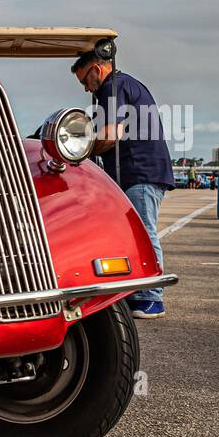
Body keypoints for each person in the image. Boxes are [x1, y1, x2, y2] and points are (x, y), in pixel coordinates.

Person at [72, 40, 173, 318]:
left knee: (144, 231)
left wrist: (80, 149)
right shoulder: (127, 84)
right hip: (144, 168)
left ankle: (152, 297)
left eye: (85, 80)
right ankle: (139, 291)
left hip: (139, 170)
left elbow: (110, 134)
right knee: (135, 232)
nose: (86, 88)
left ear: (96, 69)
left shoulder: (111, 87)